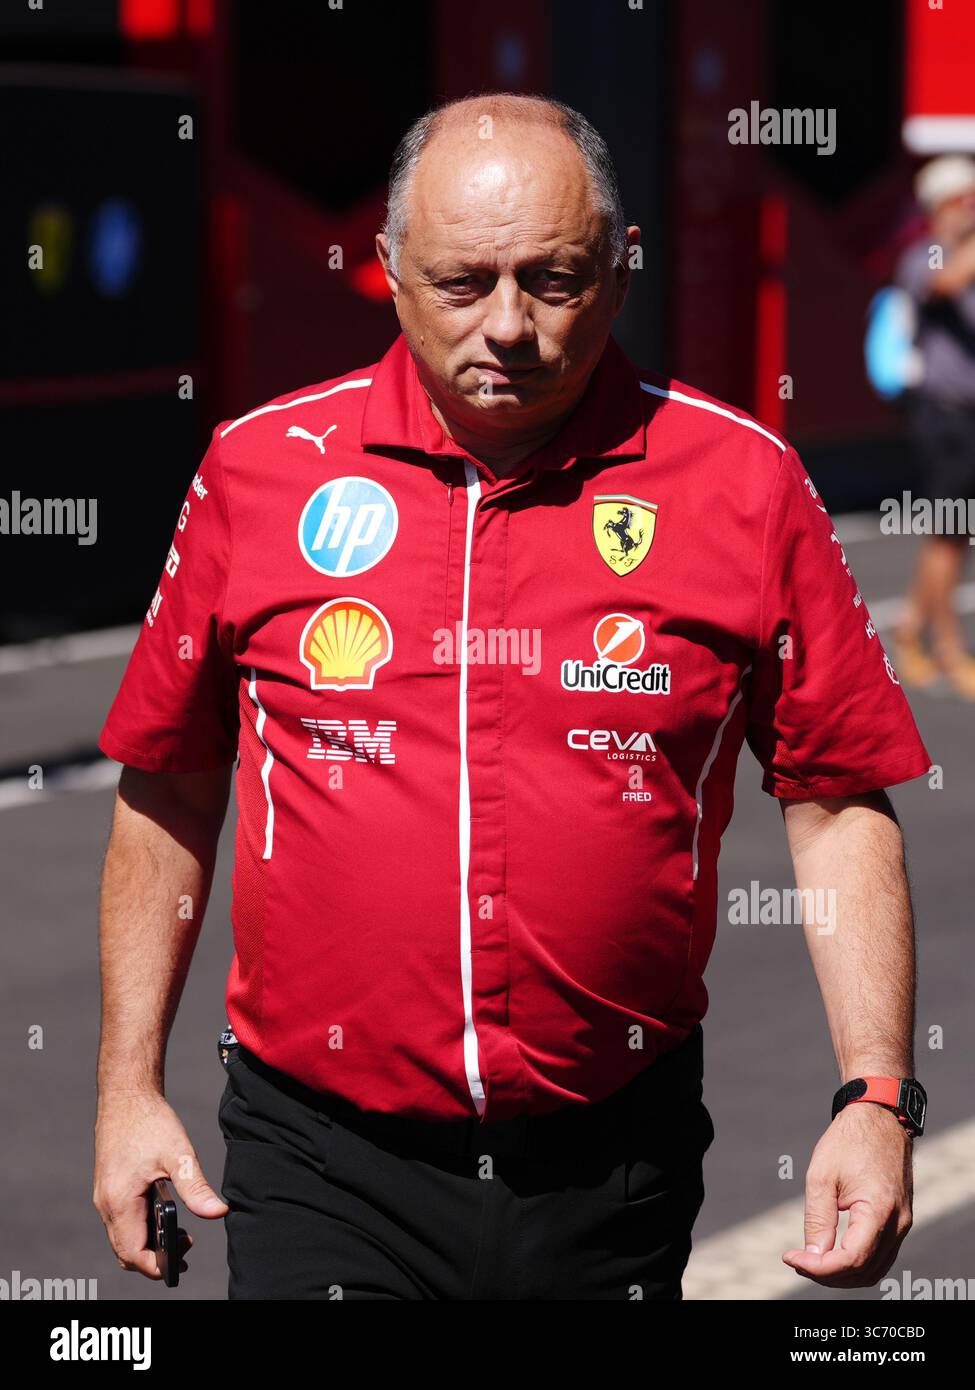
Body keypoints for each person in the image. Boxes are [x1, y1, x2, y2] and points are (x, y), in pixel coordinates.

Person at [94, 93, 932, 1301]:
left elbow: (838, 799)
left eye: (554, 278)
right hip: (321, 1160)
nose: (511, 327)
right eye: (461, 282)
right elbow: (169, 782)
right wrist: (127, 1089)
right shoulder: (260, 469)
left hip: (615, 1161)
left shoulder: (746, 484)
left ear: (622, 271)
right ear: (386, 269)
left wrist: (874, 1093)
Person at [894, 154, 975, 698]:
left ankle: (908, 630)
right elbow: (945, 282)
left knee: (955, 535)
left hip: (968, 417)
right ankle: (947, 648)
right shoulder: (926, 256)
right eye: (965, 198)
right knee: (947, 535)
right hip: (942, 419)